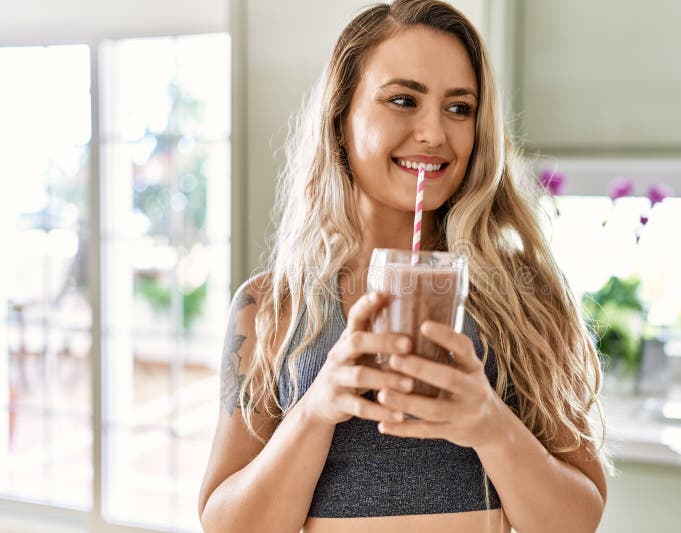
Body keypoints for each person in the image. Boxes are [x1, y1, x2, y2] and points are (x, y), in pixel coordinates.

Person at [198, 1, 607, 531]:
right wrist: (316, 408)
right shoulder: (271, 307)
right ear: (340, 118)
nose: (434, 133)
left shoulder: (527, 298)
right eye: (402, 100)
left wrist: (489, 423)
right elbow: (227, 525)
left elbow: (577, 521)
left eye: (459, 108)